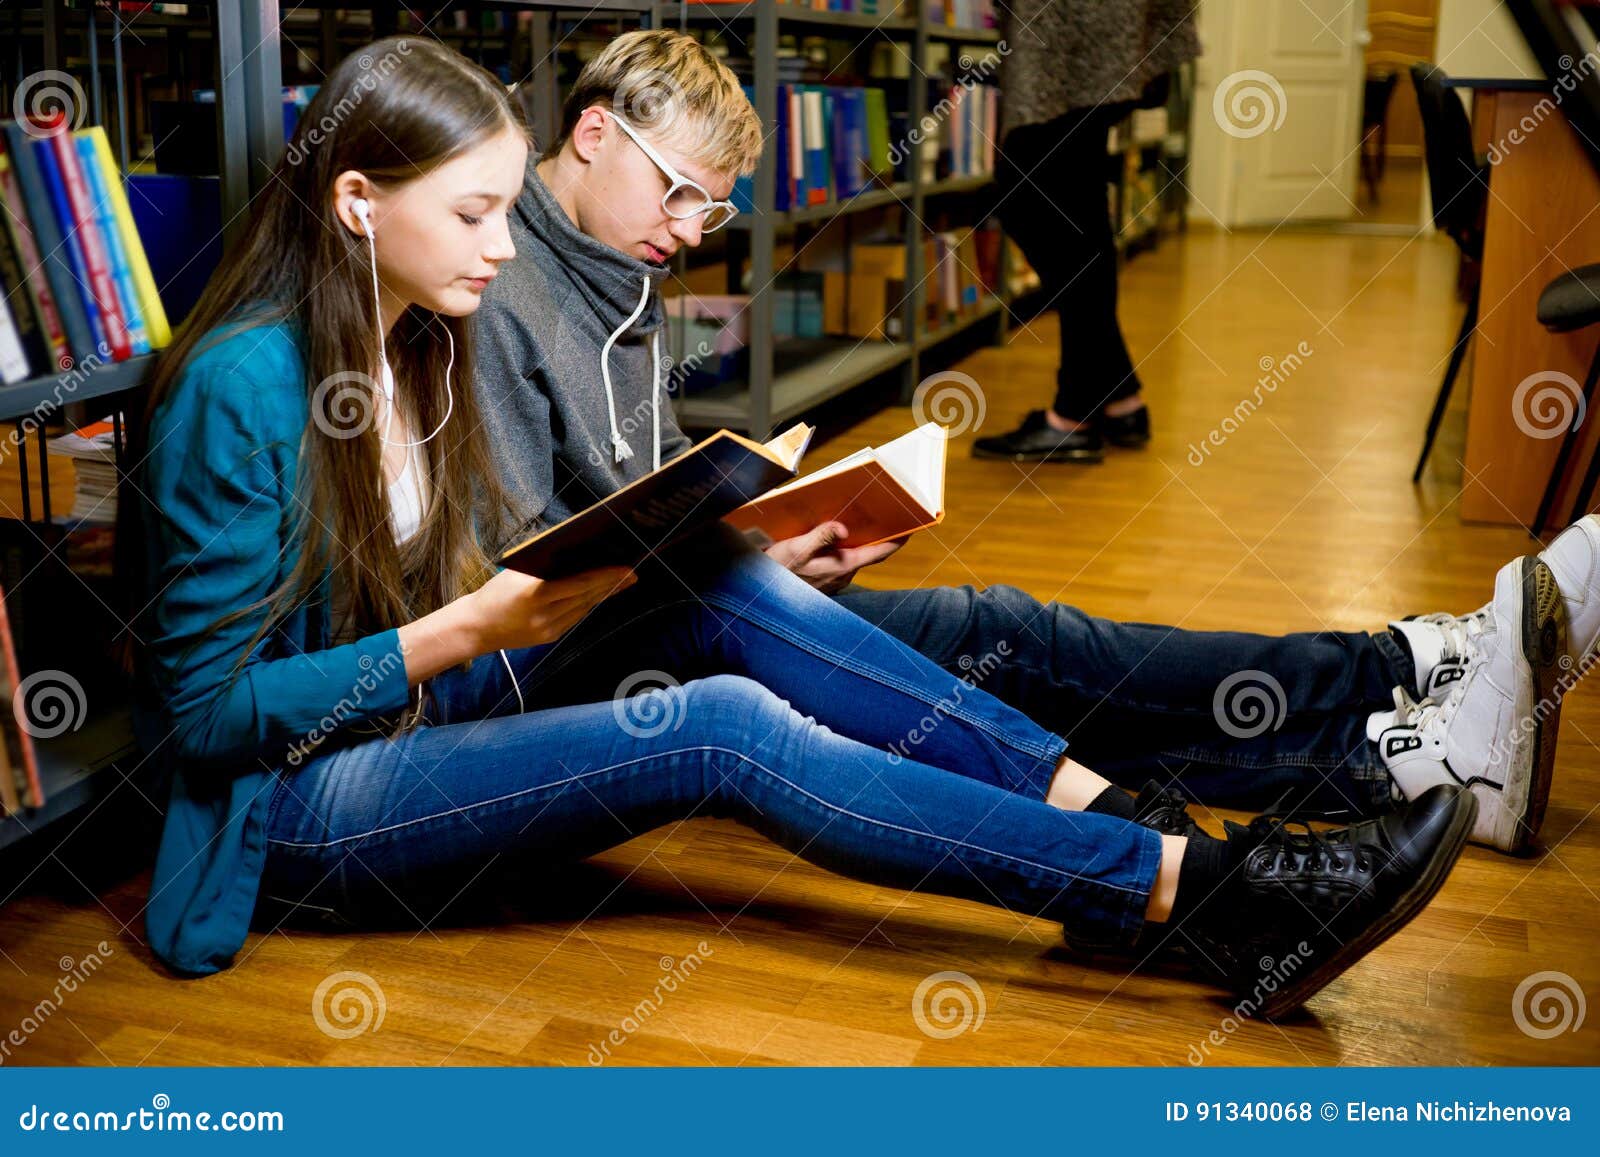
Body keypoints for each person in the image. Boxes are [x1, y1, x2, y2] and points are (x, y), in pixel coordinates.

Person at [130, 36, 1474, 1020]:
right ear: (357, 201)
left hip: (434, 697)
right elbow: (207, 722)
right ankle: (1202, 891)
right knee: (723, 727)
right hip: (301, 804)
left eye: (502, 208)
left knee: (719, 584)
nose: (500, 241)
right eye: (474, 214)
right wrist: (460, 630)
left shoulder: (421, 336)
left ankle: (1173, 859)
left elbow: (484, 569)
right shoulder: (238, 388)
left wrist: (626, 561)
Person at [472, 29, 1588, 864]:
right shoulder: (499, 290)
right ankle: (1399, 678)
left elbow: (644, 482)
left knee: (1011, 649)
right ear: (592, 131)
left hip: (696, 603)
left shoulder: (622, 265)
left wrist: (768, 544)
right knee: (1002, 645)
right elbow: (521, 579)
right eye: (676, 195)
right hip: (613, 659)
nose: (685, 231)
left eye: (711, 214)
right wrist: (726, 568)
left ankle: (1400, 735)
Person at [971, 0, 1200, 463]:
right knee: (1078, 206)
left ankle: (1073, 416)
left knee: (1027, 199)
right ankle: (1119, 399)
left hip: (1083, 33)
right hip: (1100, 34)